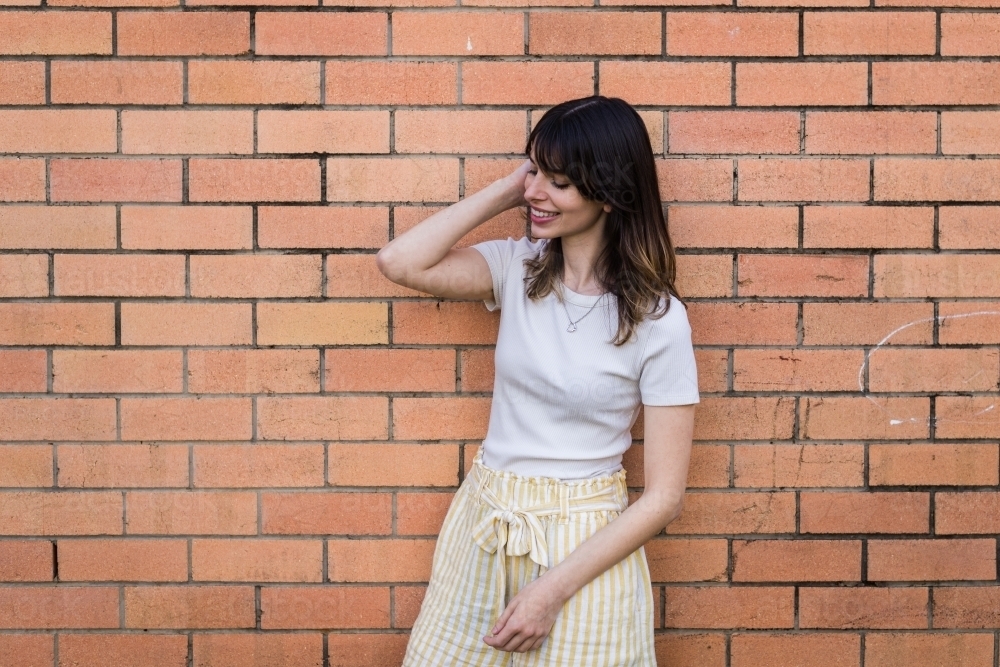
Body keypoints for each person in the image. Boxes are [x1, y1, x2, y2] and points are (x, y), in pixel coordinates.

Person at [375, 95, 699, 666]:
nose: (537, 193)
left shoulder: (658, 320)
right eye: (536, 172)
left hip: (585, 549)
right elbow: (400, 262)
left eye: (560, 182)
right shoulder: (516, 268)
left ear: (609, 192)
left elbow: (664, 498)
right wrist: (512, 187)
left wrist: (550, 591)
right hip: (486, 525)